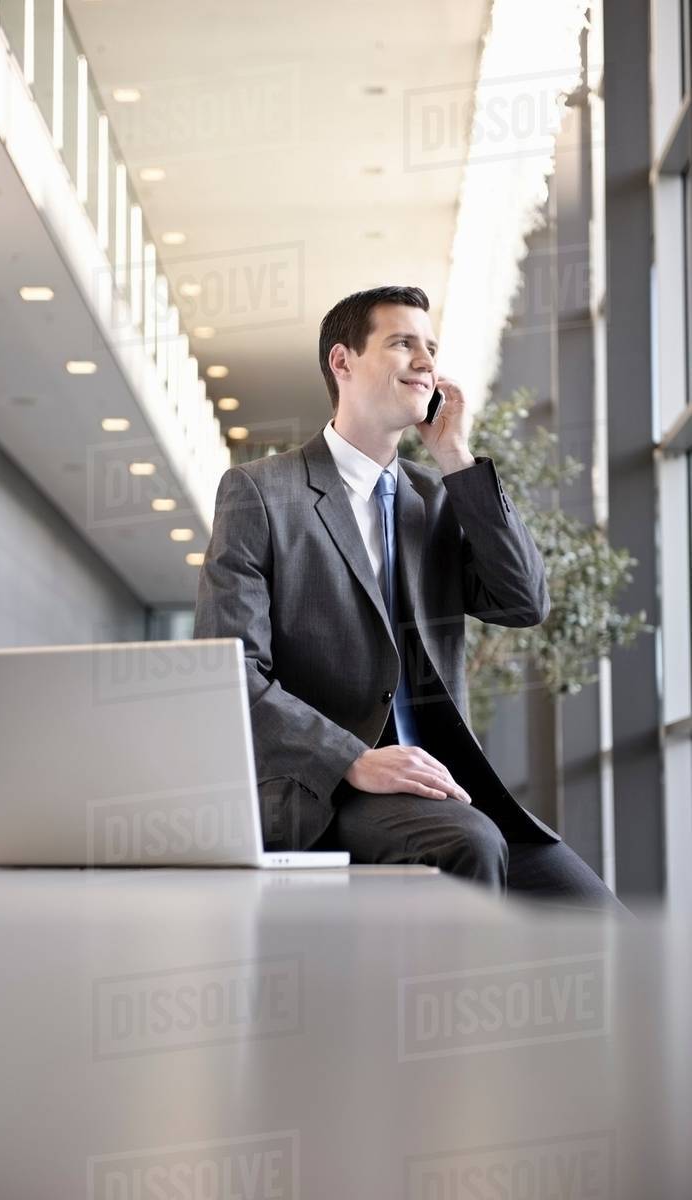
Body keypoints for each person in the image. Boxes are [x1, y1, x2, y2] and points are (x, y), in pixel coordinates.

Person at [194, 285, 623, 910]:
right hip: (329, 790)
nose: (426, 361)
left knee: (600, 925)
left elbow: (523, 601)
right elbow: (231, 673)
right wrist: (352, 759)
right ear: (343, 362)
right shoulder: (261, 492)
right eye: (402, 343)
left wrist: (455, 457)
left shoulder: (440, 494)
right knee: (469, 845)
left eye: (431, 348)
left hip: (450, 785)